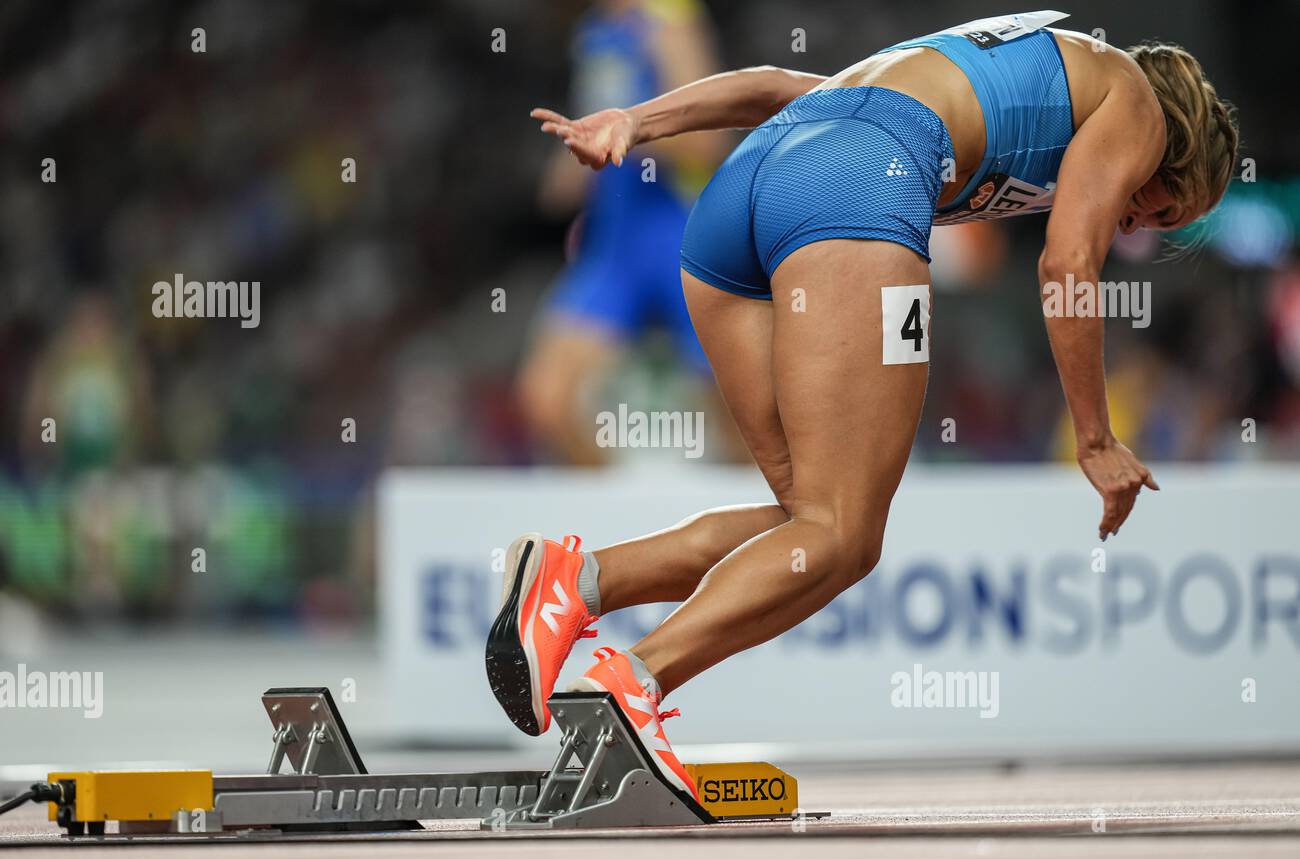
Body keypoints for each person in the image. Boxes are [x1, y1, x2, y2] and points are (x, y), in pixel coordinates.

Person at [489, 11, 1238, 798]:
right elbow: (1067, 261)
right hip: (853, 189)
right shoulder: (1136, 102)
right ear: (1173, 149)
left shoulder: (992, 77)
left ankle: (574, 580)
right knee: (846, 536)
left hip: (733, 205)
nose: (1137, 222)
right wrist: (1094, 438)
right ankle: (631, 686)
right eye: (1158, 208)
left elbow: (779, 90)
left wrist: (638, 121)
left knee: (806, 526)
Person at [518, 0, 730, 465]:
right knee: (548, 402)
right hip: (614, 247)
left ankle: (772, 527)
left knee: (738, 418)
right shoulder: (595, 33)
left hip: (682, 239)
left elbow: (707, 142)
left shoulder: (670, 20)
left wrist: (624, 135)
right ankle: (615, 524)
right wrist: (571, 161)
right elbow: (595, 123)